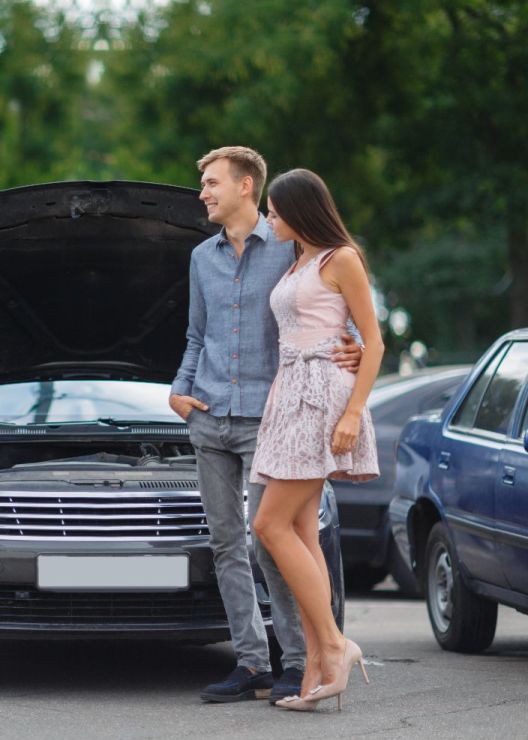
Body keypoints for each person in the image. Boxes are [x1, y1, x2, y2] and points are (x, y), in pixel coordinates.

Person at [170, 147, 362, 705]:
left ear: (246, 186)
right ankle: (251, 663)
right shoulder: (200, 257)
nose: (202, 192)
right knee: (226, 543)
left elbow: (328, 310)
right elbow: (196, 335)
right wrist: (180, 390)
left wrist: (348, 350)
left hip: (272, 418)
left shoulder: (287, 247)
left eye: (210, 183)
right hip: (209, 417)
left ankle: (300, 657)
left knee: (271, 542)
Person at [250, 168, 382, 711]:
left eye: (276, 211)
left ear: (301, 211)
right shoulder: (297, 260)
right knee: (301, 531)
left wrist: (352, 413)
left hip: (321, 398)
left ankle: (336, 644)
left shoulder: (340, 258)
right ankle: (315, 672)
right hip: (287, 396)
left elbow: (372, 343)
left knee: (269, 525)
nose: (270, 219)